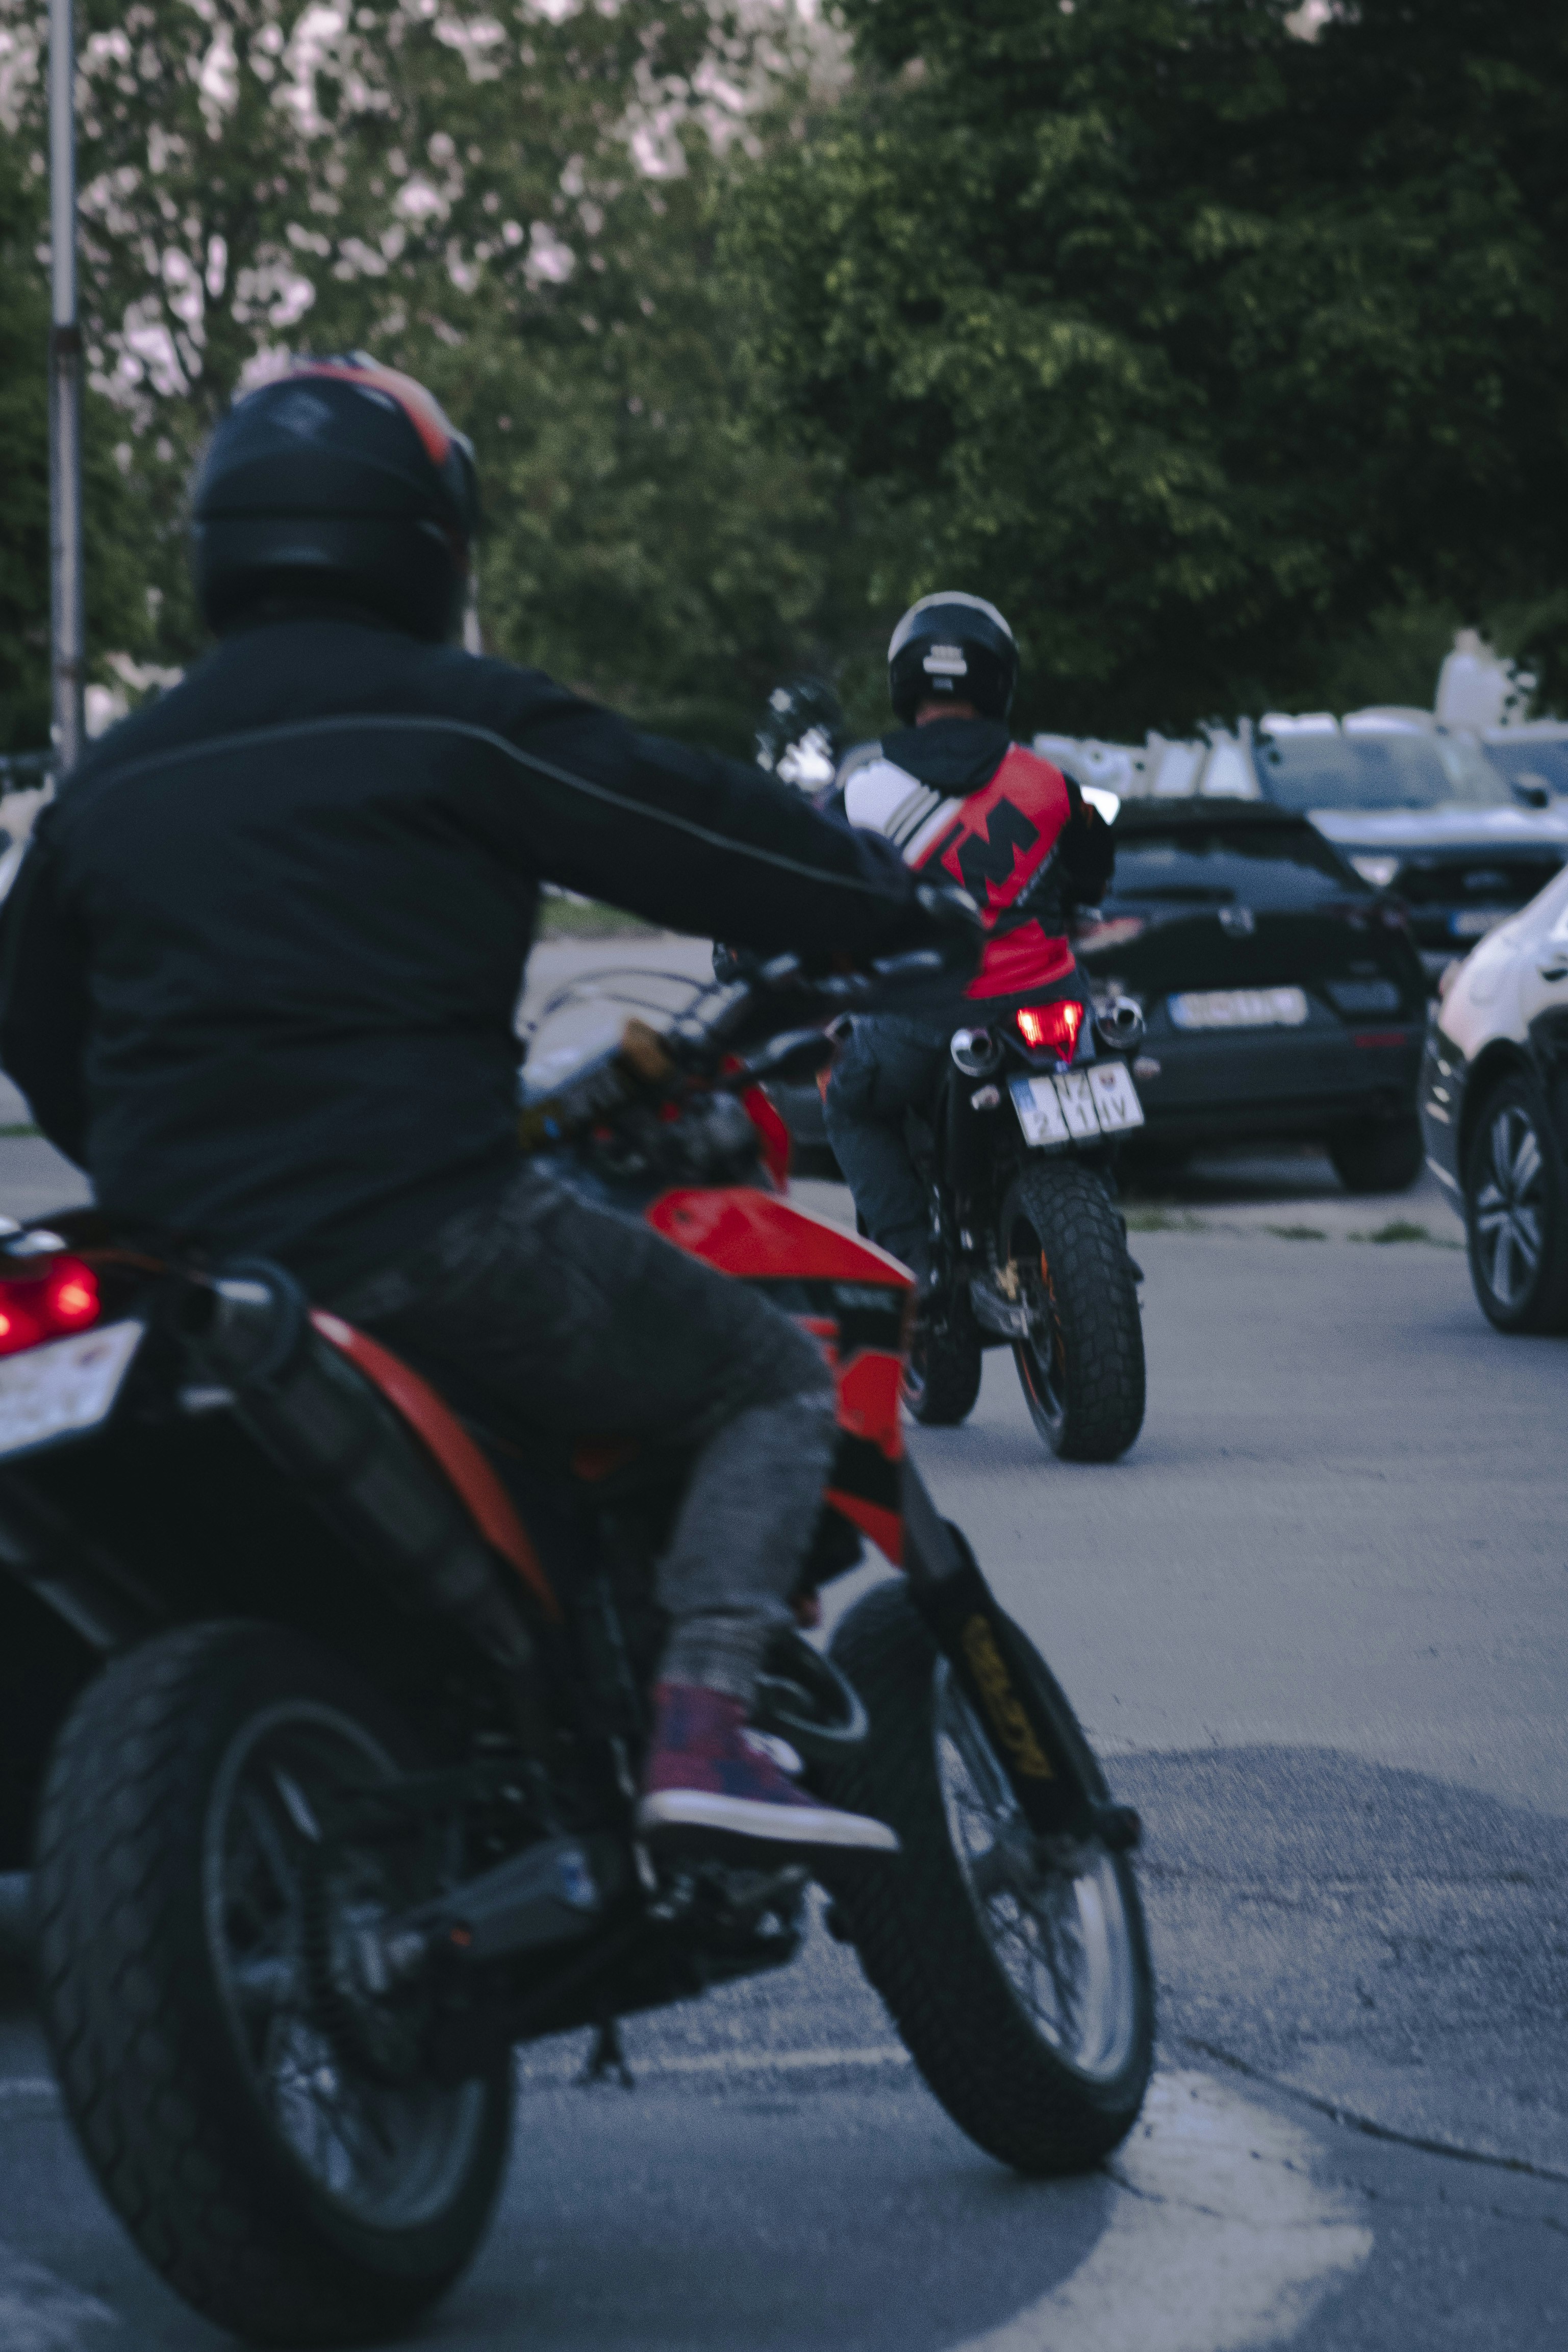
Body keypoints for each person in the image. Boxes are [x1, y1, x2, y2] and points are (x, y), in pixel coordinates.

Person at [0, 355, 965, 1859]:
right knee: (766, 1375)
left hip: (173, 1261)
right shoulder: (460, 719)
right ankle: (705, 1719)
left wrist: (182, 1159)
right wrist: (894, 905)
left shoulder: (107, 783)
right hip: (423, 1225)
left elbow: (42, 1038)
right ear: (426, 540)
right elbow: (686, 824)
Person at [823, 592, 1112, 1281]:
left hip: (918, 1019)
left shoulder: (860, 793)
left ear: (903, 685)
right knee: (1100, 1085)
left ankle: (909, 1269)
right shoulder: (1051, 785)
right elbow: (1090, 881)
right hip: (1047, 1009)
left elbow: (813, 891)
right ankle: (1103, 1229)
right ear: (998, 680)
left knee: (848, 1103)